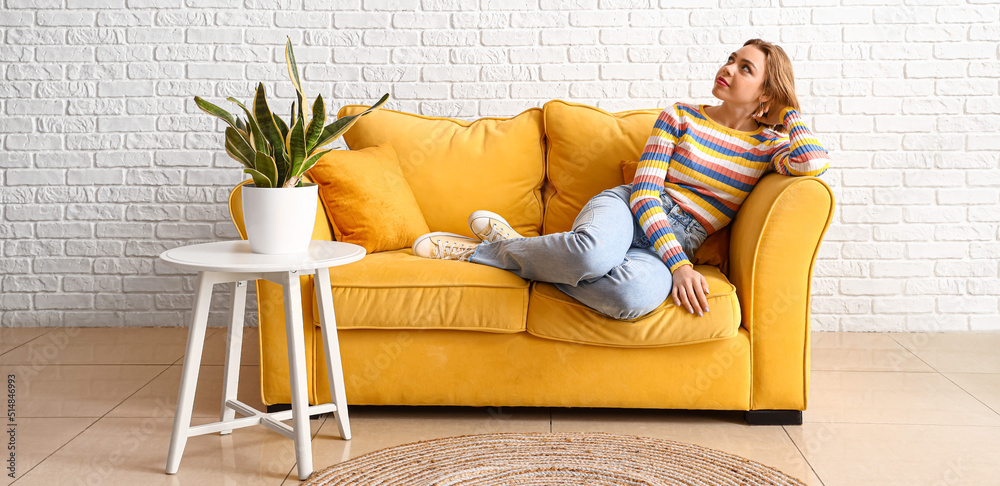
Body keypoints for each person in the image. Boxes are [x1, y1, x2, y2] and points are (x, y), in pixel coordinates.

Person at [411, 39, 831, 321]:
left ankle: (514, 253)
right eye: (729, 59)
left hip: (675, 240)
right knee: (592, 255)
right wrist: (680, 267)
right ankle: (486, 253)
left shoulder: (769, 147)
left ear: (765, 91)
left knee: (631, 298)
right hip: (629, 207)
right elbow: (647, 193)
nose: (727, 68)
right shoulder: (679, 116)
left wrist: (787, 109)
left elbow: (813, 163)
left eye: (745, 68)